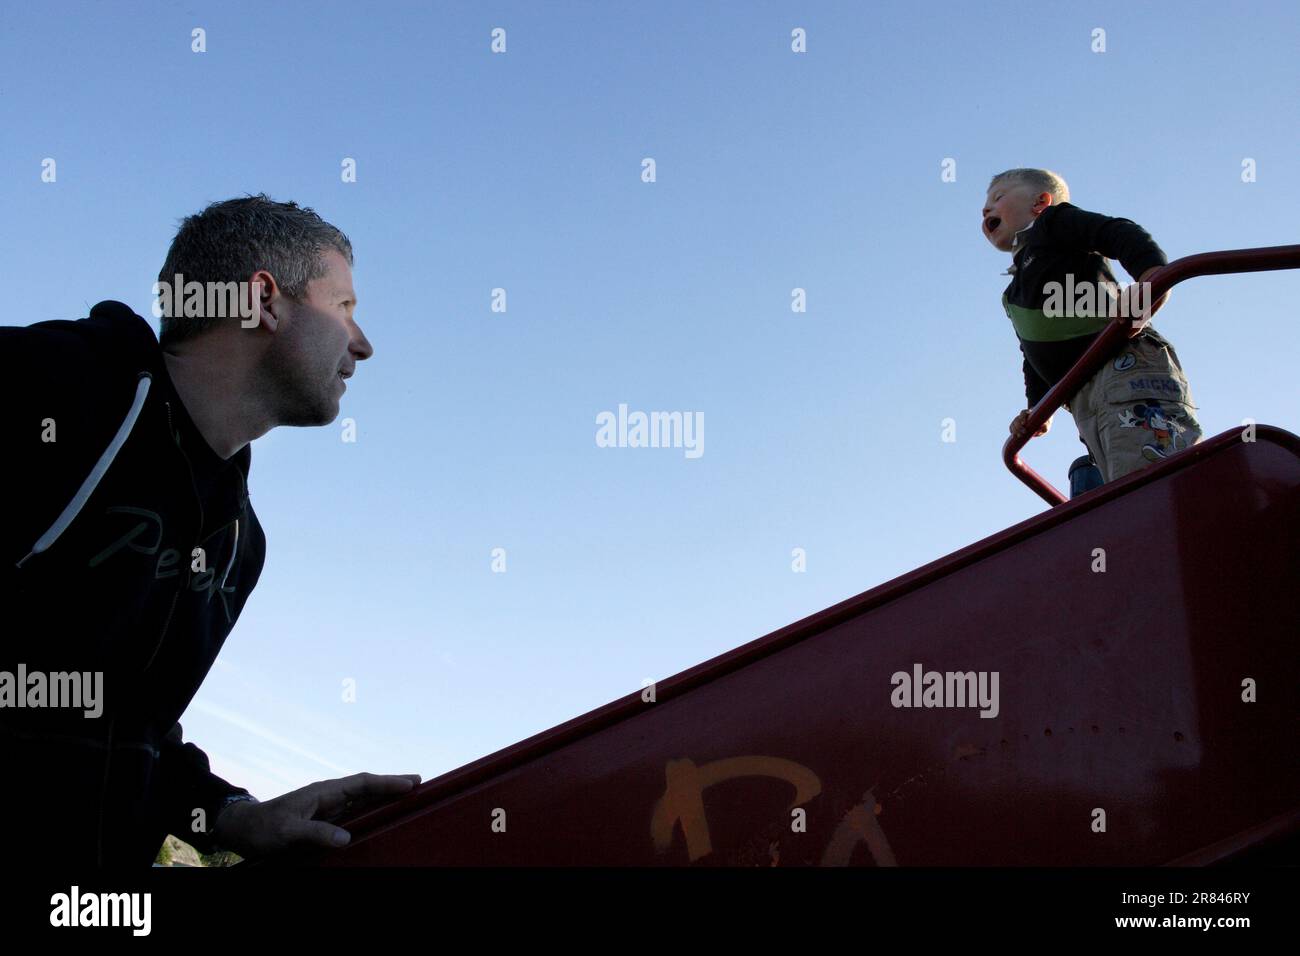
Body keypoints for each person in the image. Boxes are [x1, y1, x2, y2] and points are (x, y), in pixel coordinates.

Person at [0, 194, 420, 866]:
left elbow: (130, 733)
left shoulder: (238, 545)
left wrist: (232, 814)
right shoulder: (51, 385)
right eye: (344, 308)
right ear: (265, 301)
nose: (363, 344)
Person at [981, 168, 1203, 487]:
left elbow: (1116, 231)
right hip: (1081, 393)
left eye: (998, 197)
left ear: (1041, 202)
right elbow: (1032, 349)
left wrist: (1151, 276)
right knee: (1116, 475)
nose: (987, 209)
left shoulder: (1053, 224)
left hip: (1123, 362)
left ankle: (1178, 507)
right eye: (984, 206)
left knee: (1145, 466)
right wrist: (1038, 408)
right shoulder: (1014, 292)